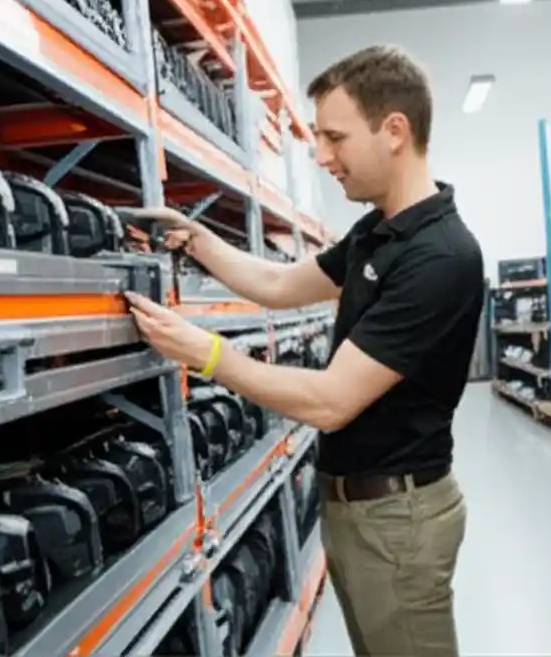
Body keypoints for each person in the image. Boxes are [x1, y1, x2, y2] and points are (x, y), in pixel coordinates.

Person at [125, 44, 485, 656]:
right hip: (357, 508)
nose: (322, 157)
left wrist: (206, 355)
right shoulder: (378, 231)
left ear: (394, 130)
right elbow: (280, 285)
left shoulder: (440, 256)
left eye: (335, 138)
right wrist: (198, 241)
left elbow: (329, 402)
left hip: (397, 521)